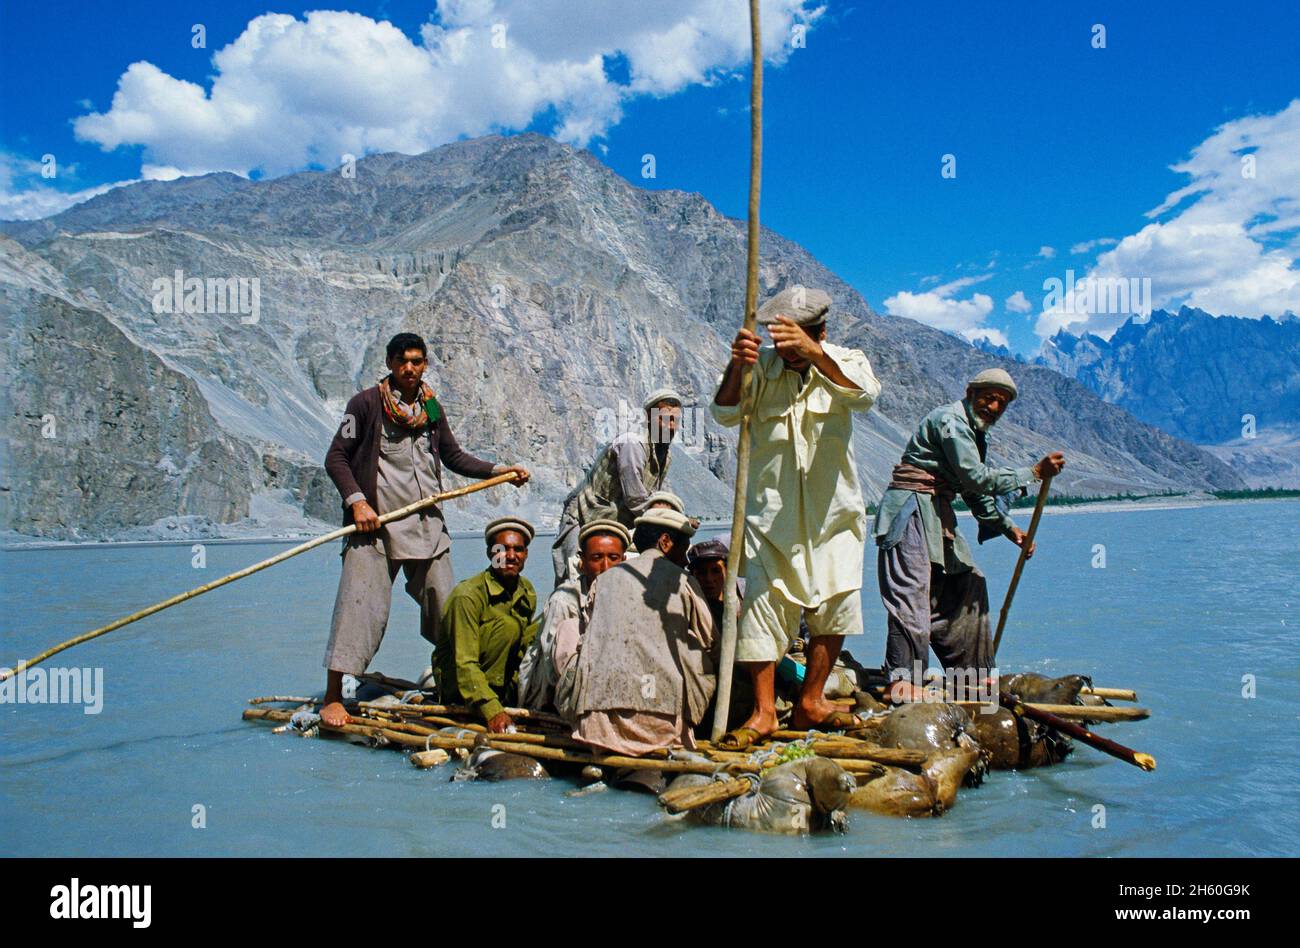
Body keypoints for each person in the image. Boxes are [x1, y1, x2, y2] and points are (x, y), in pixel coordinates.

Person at [320, 332, 529, 727]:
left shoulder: (431, 408)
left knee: (448, 607)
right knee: (359, 607)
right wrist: (357, 501)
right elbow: (336, 457)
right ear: (389, 363)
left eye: (417, 361)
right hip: (377, 527)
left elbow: (452, 456)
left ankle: (462, 684)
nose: (410, 368)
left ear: (425, 364)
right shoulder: (363, 405)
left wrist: (498, 471)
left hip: (427, 523)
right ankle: (333, 696)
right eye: (402, 361)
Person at [711, 286, 881, 748]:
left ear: (819, 332)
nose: (785, 352)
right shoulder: (761, 368)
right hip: (773, 516)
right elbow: (724, 413)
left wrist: (816, 356)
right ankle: (764, 713)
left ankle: (811, 702)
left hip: (834, 515)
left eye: (795, 343)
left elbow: (864, 395)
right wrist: (737, 364)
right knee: (763, 612)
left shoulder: (847, 361)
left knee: (835, 606)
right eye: (778, 342)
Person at [873, 368, 1066, 703]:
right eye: (989, 397)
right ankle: (901, 681)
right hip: (911, 510)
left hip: (938, 514)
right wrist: (1033, 473)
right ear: (971, 392)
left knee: (967, 587)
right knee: (913, 595)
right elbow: (975, 477)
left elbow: (975, 496)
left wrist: (1011, 532)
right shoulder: (951, 421)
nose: (993, 407)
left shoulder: (977, 433)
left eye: (1001, 403)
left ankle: (970, 676)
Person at [571, 509, 717, 755]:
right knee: (696, 651)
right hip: (661, 718)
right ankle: (682, 728)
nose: (685, 560)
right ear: (665, 542)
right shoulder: (682, 580)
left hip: (599, 720)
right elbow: (712, 640)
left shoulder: (602, 581)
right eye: (683, 548)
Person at [551, 388, 683, 584]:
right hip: (583, 517)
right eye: (664, 419)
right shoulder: (633, 444)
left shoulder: (665, 456)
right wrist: (673, 520)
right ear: (649, 417)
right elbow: (636, 500)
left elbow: (650, 498)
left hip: (616, 525)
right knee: (573, 581)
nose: (670, 426)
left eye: (675, 421)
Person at [432, 517, 539, 732]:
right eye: (502, 549)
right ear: (490, 553)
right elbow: (465, 663)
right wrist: (491, 709)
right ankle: (488, 698)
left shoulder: (526, 591)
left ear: (525, 554)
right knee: (506, 626)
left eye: (518, 549)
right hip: (462, 689)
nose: (510, 556)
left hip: (504, 682)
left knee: (546, 626)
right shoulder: (467, 596)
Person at [517, 519, 630, 712]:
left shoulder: (628, 596)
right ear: (582, 562)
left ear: (624, 560)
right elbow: (551, 667)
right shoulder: (564, 600)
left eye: (613, 558)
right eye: (596, 558)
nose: (605, 567)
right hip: (558, 692)